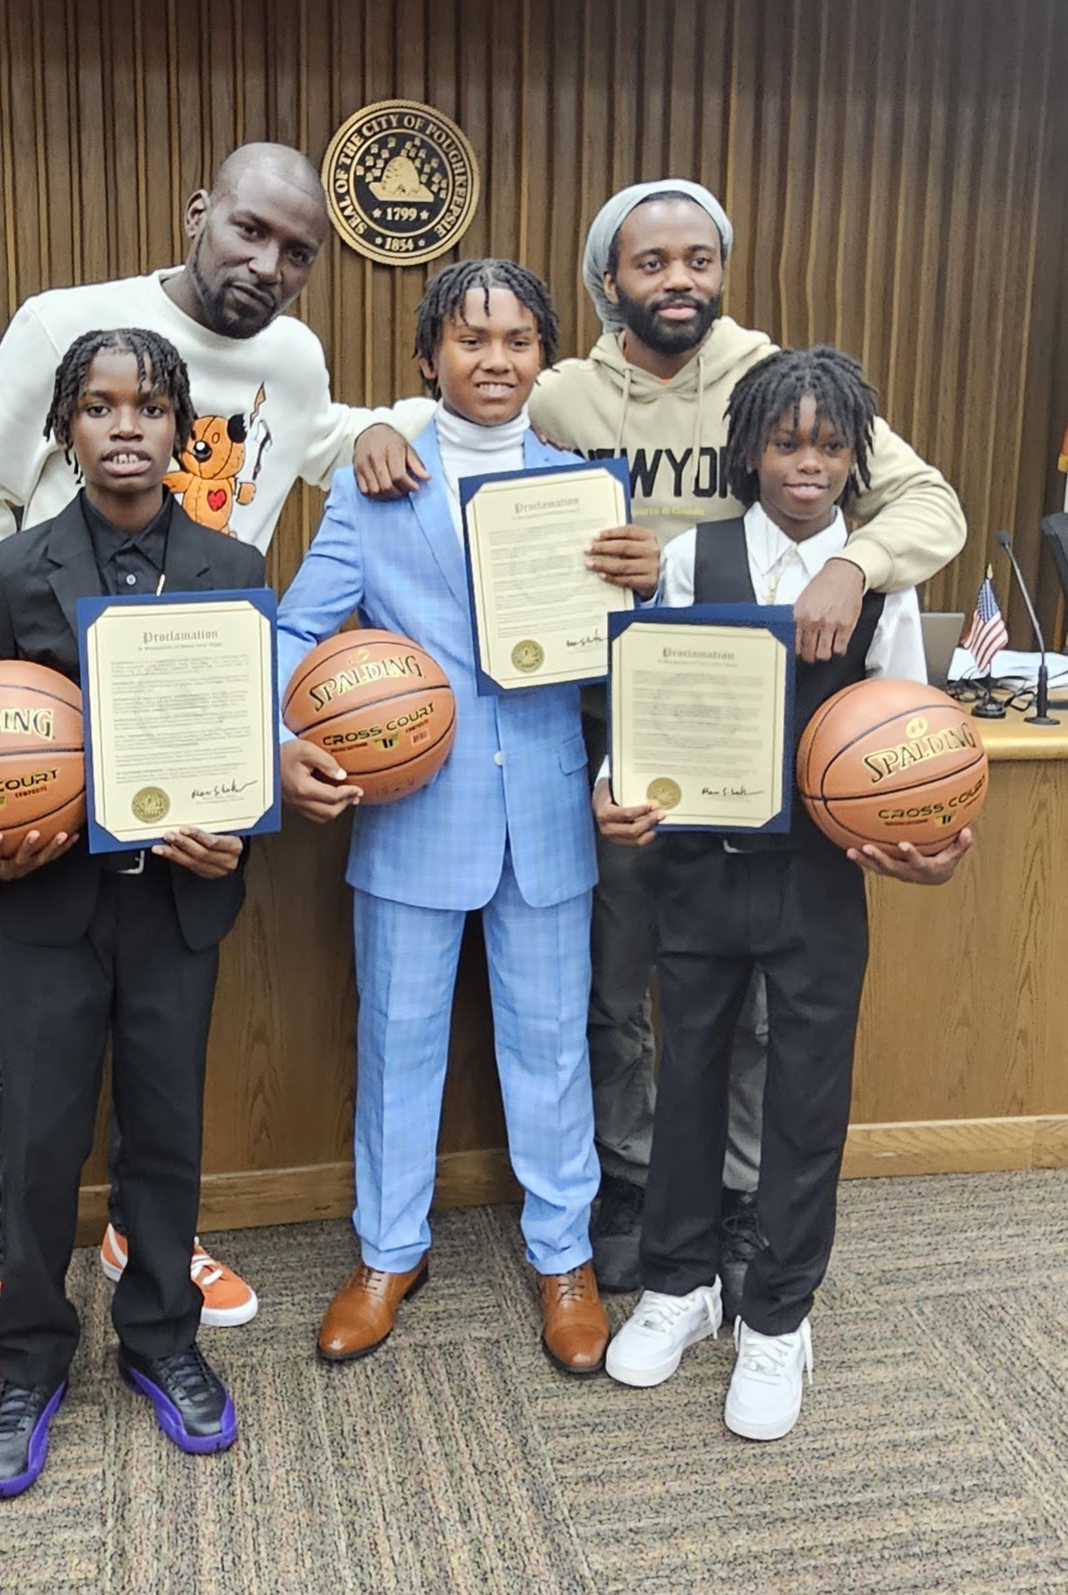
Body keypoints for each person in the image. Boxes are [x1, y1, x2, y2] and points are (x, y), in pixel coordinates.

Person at [0, 142, 435, 1428]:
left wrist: (375, 428)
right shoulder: (65, 324)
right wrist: (25, 697)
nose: (269, 266)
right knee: (32, 1073)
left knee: (164, 1068)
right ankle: (11, 1289)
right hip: (52, 704)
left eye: (298, 252)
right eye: (250, 232)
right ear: (196, 213)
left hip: (192, 713)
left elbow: (312, 440)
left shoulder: (291, 358)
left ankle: (146, 1273)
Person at [527, 181, 967, 1315]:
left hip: (780, 739)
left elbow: (930, 508)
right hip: (627, 723)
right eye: (650, 261)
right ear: (607, 280)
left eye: (698, 259)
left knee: (759, 1008)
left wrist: (853, 563)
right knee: (624, 981)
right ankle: (634, 1179)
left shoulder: (781, 385)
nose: (678, 279)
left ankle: (732, 1190)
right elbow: (471, 452)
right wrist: (379, 433)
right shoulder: (562, 397)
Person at [275, 260, 660, 1372]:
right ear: (427, 358)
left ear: (546, 356)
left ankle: (562, 1255)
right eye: (469, 339)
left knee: (549, 1045)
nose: (494, 360)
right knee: (397, 1042)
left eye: (517, 341)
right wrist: (285, 742)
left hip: (545, 808)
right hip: (409, 815)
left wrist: (646, 588)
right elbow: (296, 636)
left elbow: (619, 663)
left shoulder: (587, 491)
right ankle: (388, 1251)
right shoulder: (372, 483)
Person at [594, 346, 972, 1440]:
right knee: (687, 1078)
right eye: (785, 440)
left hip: (819, 876)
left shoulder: (880, 580)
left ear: (855, 457)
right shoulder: (685, 560)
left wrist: (935, 837)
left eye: (829, 442)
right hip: (697, 873)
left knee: (805, 1099)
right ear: (747, 451)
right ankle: (679, 1283)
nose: (807, 461)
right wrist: (610, 788)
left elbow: (912, 735)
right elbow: (640, 711)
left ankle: (776, 1311)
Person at [0, 327, 263, 1497]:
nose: (124, 427)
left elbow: (243, 750)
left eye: (148, 407)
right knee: (36, 1145)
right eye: (98, 405)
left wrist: (234, 832)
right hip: (48, 912)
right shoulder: (13, 573)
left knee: (166, 1136)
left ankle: (162, 1337)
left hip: (179, 904)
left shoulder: (232, 566)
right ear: (65, 425)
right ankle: (28, 1355)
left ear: (184, 428)